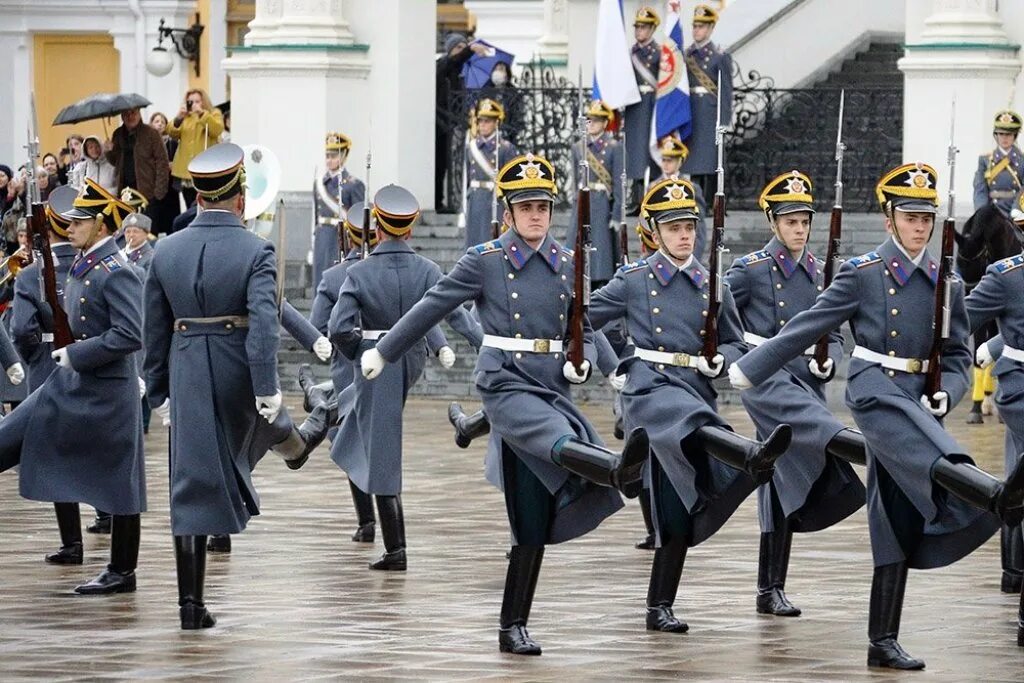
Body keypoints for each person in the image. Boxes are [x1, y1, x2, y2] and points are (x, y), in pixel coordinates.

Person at [729, 162, 1024, 669]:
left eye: (927, 218)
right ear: (890, 219)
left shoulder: (944, 282)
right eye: (910, 217)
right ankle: (993, 494)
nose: (920, 226)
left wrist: (949, 392)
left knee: (893, 513)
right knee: (923, 443)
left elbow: (955, 354)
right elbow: (809, 324)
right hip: (873, 390)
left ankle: (881, 641)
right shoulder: (862, 273)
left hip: (915, 393)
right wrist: (753, 368)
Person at [360, 153, 650, 655]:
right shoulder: (485, 259)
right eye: (526, 207)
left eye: (542, 206)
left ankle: (512, 623)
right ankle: (616, 471)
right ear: (508, 213)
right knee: (552, 436)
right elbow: (433, 306)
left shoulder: (565, 263)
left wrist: (613, 372)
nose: (536, 215)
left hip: (551, 385)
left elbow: (584, 323)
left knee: (531, 519)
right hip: (505, 384)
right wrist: (383, 352)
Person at [586, 176, 790, 634]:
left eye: (689, 228)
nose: (683, 236)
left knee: (675, 513)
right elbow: (579, 319)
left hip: (694, 393)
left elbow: (739, 343)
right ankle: (746, 455)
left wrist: (723, 359)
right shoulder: (634, 280)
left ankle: (659, 606)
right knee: (683, 426)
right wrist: (612, 365)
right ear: (654, 232)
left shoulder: (711, 282)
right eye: (673, 228)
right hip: (650, 391)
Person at [143, 143, 328, 629]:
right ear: (240, 198)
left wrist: (158, 390)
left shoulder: (165, 249)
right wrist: (267, 386)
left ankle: (190, 602)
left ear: (199, 198)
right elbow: (264, 325)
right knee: (239, 450)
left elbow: (154, 328)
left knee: (188, 479)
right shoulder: (256, 249)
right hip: (234, 369)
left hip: (185, 368)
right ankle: (297, 439)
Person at [724, 170, 866, 617]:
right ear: (772, 222)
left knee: (780, 478)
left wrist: (829, 358)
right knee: (808, 445)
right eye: (790, 221)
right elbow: (719, 315)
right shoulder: (750, 270)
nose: (799, 229)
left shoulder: (822, 271)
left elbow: (836, 329)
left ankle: (771, 588)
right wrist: (733, 353)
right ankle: (868, 453)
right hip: (766, 381)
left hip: (805, 380)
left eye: (804, 221)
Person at [0, 178, 145, 595]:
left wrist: (76, 354)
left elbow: (129, 335)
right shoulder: (86, 264)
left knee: (121, 480)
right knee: (10, 438)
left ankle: (122, 571)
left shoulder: (117, 271)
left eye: (81, 221)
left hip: (103, 388)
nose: (72, 227)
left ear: (102, 226)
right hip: (72, 383)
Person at [328, 185, 481, 570]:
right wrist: (485, 345)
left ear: (377, 228)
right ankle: (321, 420)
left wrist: (358, 356)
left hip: (373, 360)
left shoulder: (359, 271)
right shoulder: (428, 270)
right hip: (411, 358)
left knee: (381, 450)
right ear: (410, 230)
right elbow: (457, 315)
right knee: (360, 432)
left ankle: (396, 549)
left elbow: (338, 328)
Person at [306, 202, 379, 542]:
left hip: (347, 368)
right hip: (385, 367)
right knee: (378, 441)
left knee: (351, 440)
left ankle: (367, 522)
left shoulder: (334, 277)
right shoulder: (387, 270)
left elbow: (318, 326)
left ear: (347, 237)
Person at [964, 240, 1024, 647]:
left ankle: (1014, 568)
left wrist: (997, 343)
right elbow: (953, 321)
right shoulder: (1006, 275)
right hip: (1021, 386)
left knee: (1017, 473)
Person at [681, 4, 733, 208]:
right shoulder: (687, 56)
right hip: (692, 112)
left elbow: (726, 90)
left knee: (710, 158)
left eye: (702, 26)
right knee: (693, 158)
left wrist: (725, 120)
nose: (697, 30)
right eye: (695, 26)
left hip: (711, 112)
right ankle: (694, 199)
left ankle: (711, 202)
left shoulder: (720, 56)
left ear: (711, 28)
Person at [568, 100, 623, 287]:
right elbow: (575, 179)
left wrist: (617, 214)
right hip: (583, 202)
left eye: (597, 120)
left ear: (605, 123)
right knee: (578, 252)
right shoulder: (578, 148)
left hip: (601, 205)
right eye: (589, 120)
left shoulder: (614, 147)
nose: (592, 124)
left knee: (601, 255)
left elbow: (618, 184)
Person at [436, 34, 488, 210]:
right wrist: (470, 49)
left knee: (457, 163)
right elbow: (453, 61)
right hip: (440, 124)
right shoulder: (442, 65)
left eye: (463, 47)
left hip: (455, 125)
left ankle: (457, 201)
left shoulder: (463, 73)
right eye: (458, 47)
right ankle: (437, 201)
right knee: (440, 164)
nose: (461, 52)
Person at [462, 98, 517, 249]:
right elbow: (467, 177)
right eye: (480, 121)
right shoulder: (471, 147)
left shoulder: (505, 148)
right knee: (474, 241)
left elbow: (510, 181)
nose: (483, 125)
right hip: (476, 198)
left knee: (492, 240)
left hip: (494, 200)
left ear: (496, 123)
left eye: (487, 121)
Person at [312, 132, 365, 287]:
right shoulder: (320, 184)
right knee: (319, 279)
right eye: (327, 156)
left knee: (338, 281)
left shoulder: (354, 184)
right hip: (322, 236)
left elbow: (359, 219)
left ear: (344, 156)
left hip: (341, 237)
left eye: (334, 156)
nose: (329, 160)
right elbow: (315, 216)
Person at [623, 7, 661, 213]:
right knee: (635, 153)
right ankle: (636, 198)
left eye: (644, 27)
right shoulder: (630, 54)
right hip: (634, 106)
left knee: (649, 152)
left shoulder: (659, 53)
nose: (639, 31)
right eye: (637, 27)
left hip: (651, 105)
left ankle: (649, 197)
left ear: (652, 29)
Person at [651, 135, 708, 259]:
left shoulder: (690, 188)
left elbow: (699, 226)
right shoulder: (654, 187)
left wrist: (694, 257)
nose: (666, 164)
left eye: (670, 160)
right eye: (664, 160)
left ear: (680, 161)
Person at [166, 89, 225, 207]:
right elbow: (171, 133)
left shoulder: (213, 113)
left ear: (204, 102)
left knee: (203, 204)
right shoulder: (185, 117)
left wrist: (202, 114)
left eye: (197, 101)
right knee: (189, 203)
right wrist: (178, 117)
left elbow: (217, 129)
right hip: (186, 170)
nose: (194, 104)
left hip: (205, 169)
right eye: (190, 101)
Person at [105, 108, 169, 204]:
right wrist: (109, 151)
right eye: (126, 113)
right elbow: (115, 162)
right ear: (122, 116)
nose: (130, 116)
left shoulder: (151, 133)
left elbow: (162, 162)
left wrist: (159, 193)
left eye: (133, 112)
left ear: (139, 113)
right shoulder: (118, 134)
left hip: (147, 193)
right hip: (124, 192)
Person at [972, 110, 1024, 216]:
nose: (1004, 138)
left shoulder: (1021, 160)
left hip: (1016, 212)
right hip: (991, 211)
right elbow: (980, 189)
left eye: (1008, 134)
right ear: (996, 135)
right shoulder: (985, 160)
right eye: (1001, 134)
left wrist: (1017, 209)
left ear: (1015, 136)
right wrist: (982, 211)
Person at [148, 112, 181, 236]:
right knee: (154, 219)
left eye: (163, 122)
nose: (160, 124)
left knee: (171, 219)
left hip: (170, 186)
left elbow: (179, 159)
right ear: (151, 124)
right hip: (154, 186)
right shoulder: (148, 144)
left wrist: (174, 165)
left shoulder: (173, 143)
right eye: (156, 121)